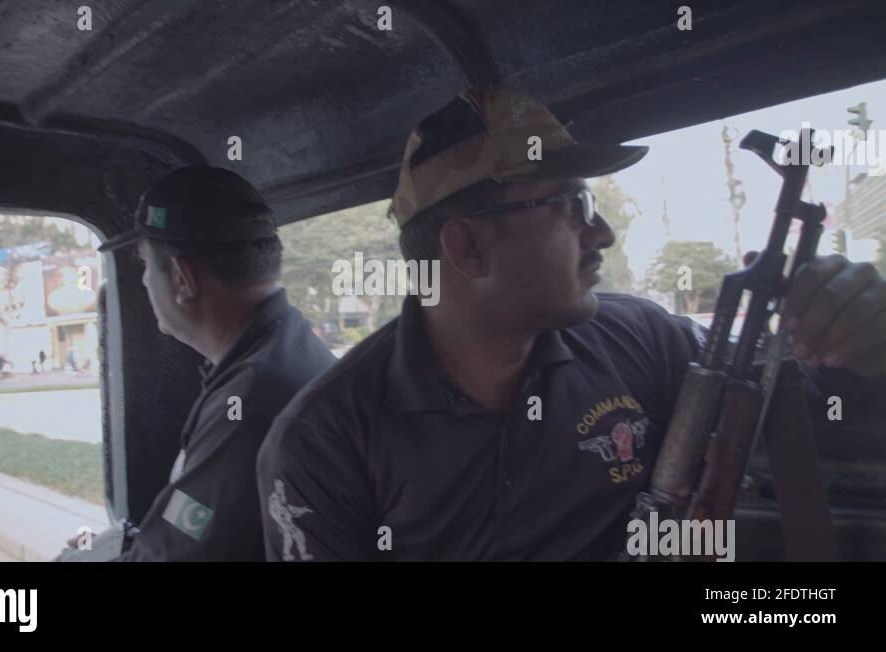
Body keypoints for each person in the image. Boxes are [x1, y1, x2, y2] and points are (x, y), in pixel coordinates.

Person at [256, 84, 886, 561]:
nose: (603, 232)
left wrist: (858, 336)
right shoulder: (323, 441)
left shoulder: (642, 338)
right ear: (468, 248)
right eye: (574, 205)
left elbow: (798, 397)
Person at [65, 166, 335, 561]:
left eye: (144, 266)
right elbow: (202, 530)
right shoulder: (281, 356)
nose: (143, 283)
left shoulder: (251, 402)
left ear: (181, 278)